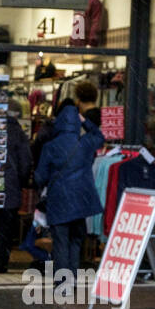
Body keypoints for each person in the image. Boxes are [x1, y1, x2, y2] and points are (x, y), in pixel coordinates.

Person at [34, 102, 104, 285]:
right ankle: (72, 278)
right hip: (81, 201)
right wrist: (85, 121)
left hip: (59, 200)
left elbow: (40, 176)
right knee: (75, 241)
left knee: (61, 242)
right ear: (76, 123)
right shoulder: (86, 143)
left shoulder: (50, 146)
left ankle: (63, 282)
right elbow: (99, 135)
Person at [0, 98, 34, 273]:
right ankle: (0, 262)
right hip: (10, 182)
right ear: (17, 114)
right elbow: (26, 162)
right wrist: (22, 181)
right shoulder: (19, 133)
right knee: (6, 224)